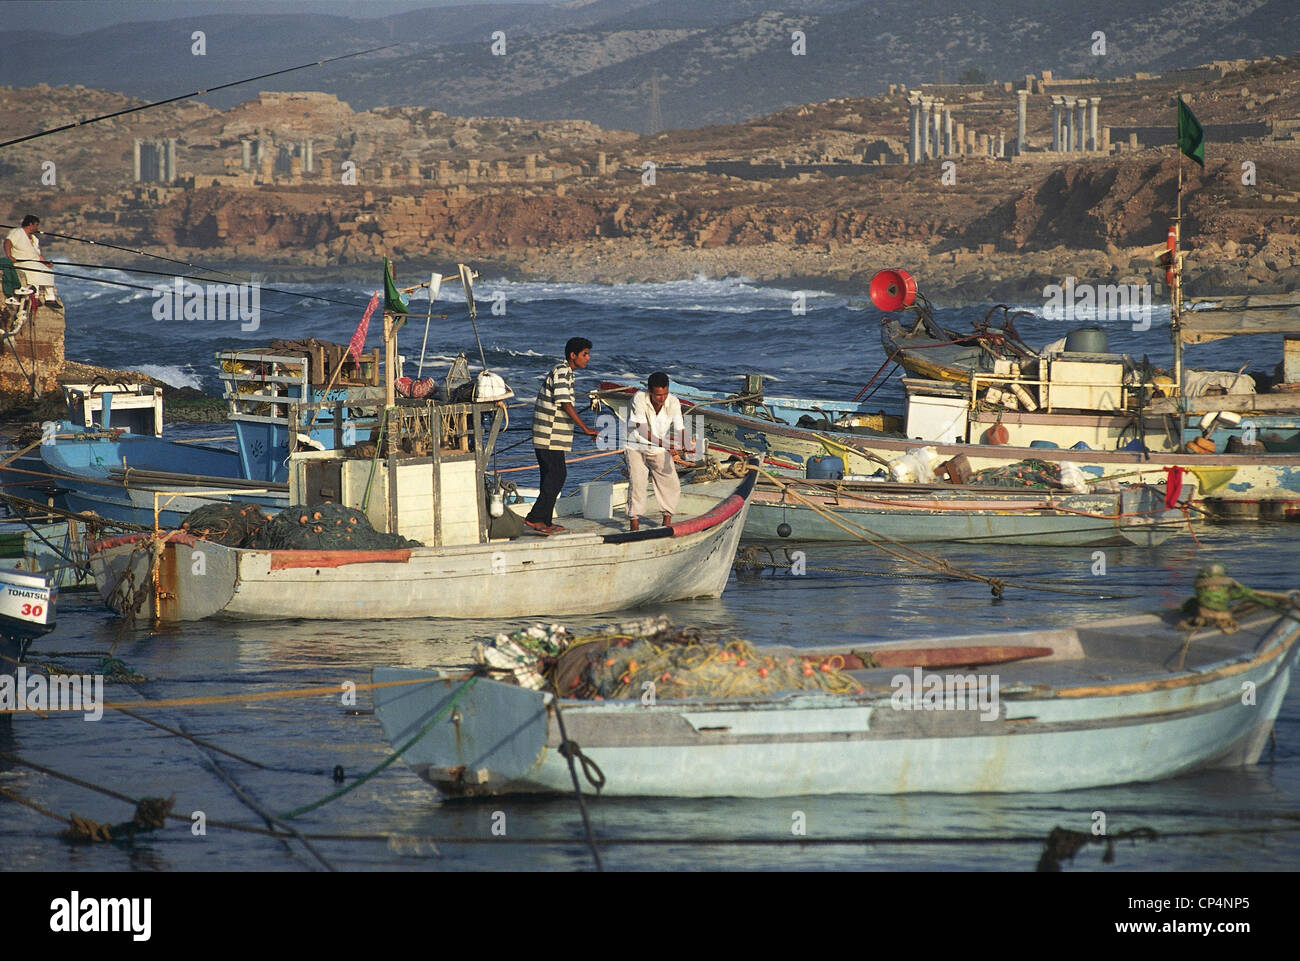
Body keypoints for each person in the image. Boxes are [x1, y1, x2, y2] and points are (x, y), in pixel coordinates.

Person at [524, 337, 597, 534]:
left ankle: (544, 522)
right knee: (557, 475)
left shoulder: (567, 373)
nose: (588, 358)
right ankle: (534, 518)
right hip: (549, 434)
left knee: (550, 477)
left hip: (553, 434)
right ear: (573, 356)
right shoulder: (563, 371)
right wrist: (586, 428)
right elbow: (566, 403)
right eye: (585, 354)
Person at [625, 371, 691, 532]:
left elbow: (679, 427)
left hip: (658, 447)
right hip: (635, 445)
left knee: (670, 480)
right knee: (638, 480)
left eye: (665, 394)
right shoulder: (639, 398)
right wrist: (665, 444)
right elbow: (641, 429)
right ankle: (634, 522)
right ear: (650, 391)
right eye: (658, 395)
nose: (662, 398)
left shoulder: (673, 402)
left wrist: (685, 443)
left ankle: (667, 520)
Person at [3, 215, 60, 308]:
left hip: (34, 262)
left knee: (49, 272)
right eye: (36, 225)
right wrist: (9, 255)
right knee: (36, 271)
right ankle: (36, 298)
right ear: (30, 224)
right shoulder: (17, 232)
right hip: (22, 262)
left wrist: (46, 263)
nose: (37, 228)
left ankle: (50, 298)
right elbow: (7, 242)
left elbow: (37, 254)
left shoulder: (34, 239)